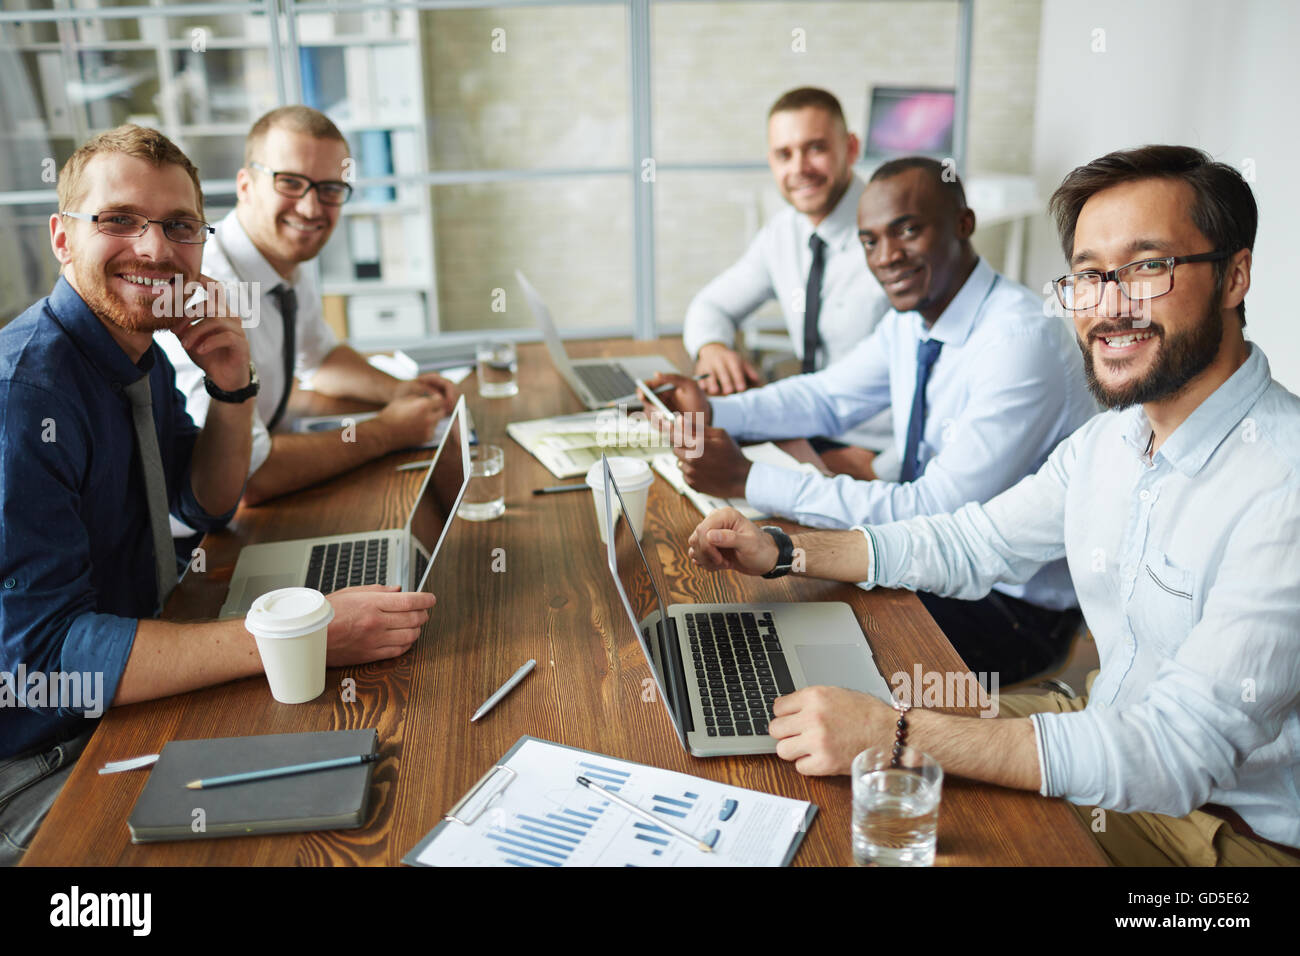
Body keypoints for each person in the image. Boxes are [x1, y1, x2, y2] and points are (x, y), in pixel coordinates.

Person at [685, 145, 1299, 866]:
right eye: (1091, 275)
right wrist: (786, 550)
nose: (1109, 305)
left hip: (1220, 831)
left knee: (875, 794)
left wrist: (899, 733)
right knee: (797, 750)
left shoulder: (1281, 485)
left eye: (1146, 267)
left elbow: (1174, 753)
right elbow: (970, 541)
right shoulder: (1113, 439)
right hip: (1099, 729)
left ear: (1234, 275)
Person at [0, 126, 435, 866]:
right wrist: (298, 638)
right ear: (63, 238)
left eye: (178, 227)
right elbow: (42, 660)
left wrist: (233, 385)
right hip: (44, 762)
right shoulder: (26, 395)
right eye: (118, 220)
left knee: (375, 772)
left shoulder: (134, 352)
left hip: (133, 697)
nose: (154, 248)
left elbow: (207, 503)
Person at [651, 157, 1097, 685]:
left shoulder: (1020, 343)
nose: (886, 257)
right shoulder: (913, 319)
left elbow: (932, 512)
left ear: (963, 224)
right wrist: (713, 409)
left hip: (1010, 609)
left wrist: (747, 479)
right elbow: (827, 397)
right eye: (869, 241)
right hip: (927, 558)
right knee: (768, 620)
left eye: (907, 230)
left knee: (793, 656)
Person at [160, 106, 458, 520]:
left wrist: (397, 391)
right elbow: (249, 476)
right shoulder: (203, 290)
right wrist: (390, 431)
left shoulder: (287, 260)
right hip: (197, 543)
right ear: (245, 185)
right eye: (291, 182)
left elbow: (318, 356)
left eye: (330, 189)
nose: (311, 208)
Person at [682, 87, 894, 477]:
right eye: (784, 154)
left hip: (877, 449)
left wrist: (889, 466)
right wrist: (711, 347)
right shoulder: (783, 233)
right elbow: (710, 305)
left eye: (815, 148)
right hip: (806, 427)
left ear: (851, 148)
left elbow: (941, 370)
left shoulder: (894, 234)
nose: (799, 168)